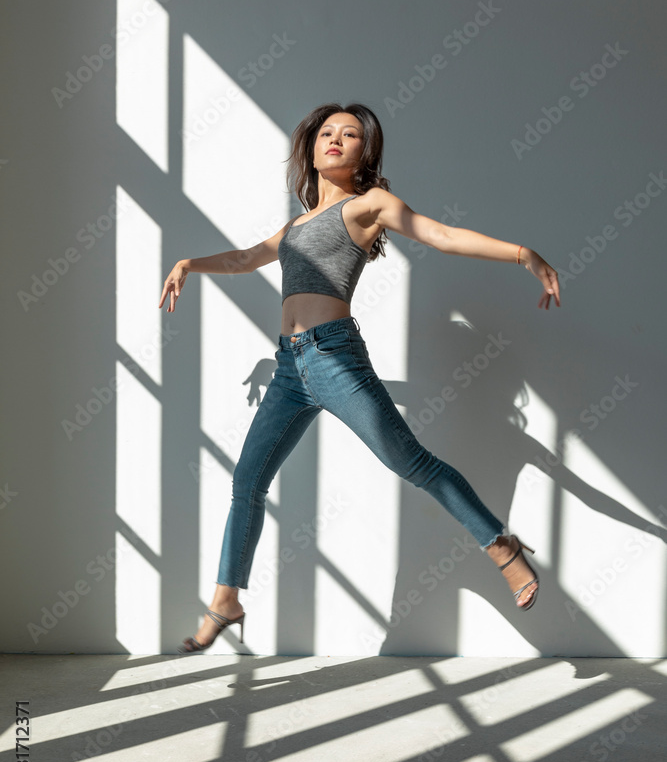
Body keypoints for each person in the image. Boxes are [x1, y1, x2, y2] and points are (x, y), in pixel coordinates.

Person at [158, 102, 561, 653]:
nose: (336, 140)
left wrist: (524, 255)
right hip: (289, 367)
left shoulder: (367, 205)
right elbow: (248, 257)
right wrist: (189, 264)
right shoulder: (298, 223)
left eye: (349, 135)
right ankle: (226, 601)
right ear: (311, 145)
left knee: (411, 462)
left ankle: (502, 547)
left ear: (362, 152)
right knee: (247, 482)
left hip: (333, 356)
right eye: (327, 132)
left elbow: (438, 235)